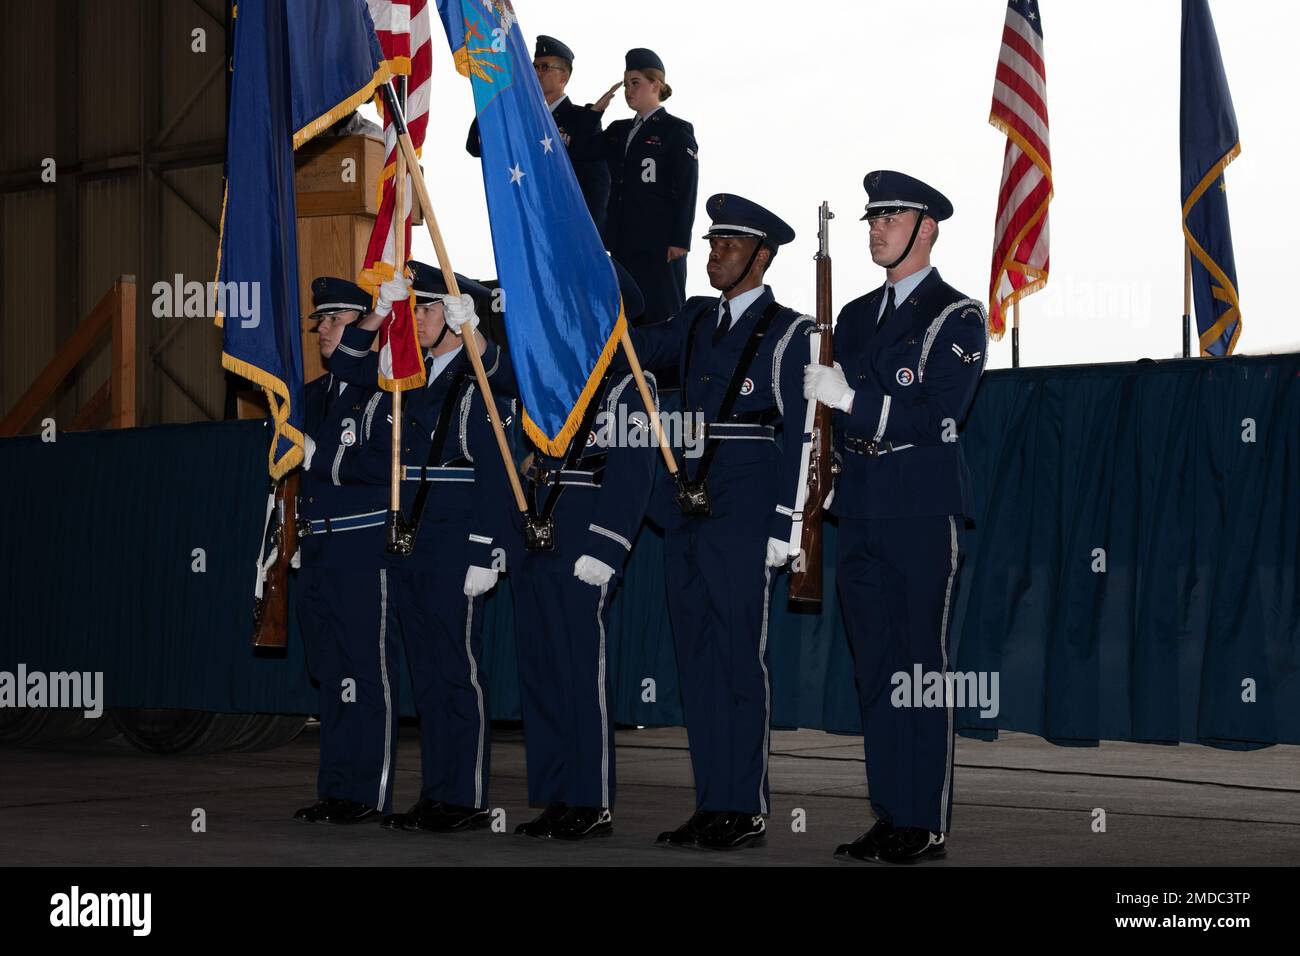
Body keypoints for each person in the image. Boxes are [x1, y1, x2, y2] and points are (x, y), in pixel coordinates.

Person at [802, 170, 987, 864]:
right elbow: (827, 427)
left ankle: (925, 818)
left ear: (926, 227)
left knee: (919, 666)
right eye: (873, 217)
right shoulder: (851, 316)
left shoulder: (956, 315)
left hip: (919, 503)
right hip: (863, 506)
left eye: (893, 216)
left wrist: (852, 401)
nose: (878, 228)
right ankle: (891, 809)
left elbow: (941, 416)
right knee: (874, 668)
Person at [449, 261, 659, 842]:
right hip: (534, 530)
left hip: (584, 535)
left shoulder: (628, 383)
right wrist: (478, 338)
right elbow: (505, 378)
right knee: (540, 669)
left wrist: (608, 547)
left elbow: (633, 474)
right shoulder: (552, 376)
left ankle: (590, 801)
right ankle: (555, 794)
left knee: (578, 670)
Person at [629, 194, 813, 850]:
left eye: (728, 246)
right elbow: (640, 347)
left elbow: (802, 435)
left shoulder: (792, 332)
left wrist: (786, 525)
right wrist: (593, 302)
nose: (713, 255)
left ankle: (745, 806)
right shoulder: (698, 319)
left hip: (745, 512)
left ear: (761, 256)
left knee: (738, 659)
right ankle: (712, 802)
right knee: (697, 663)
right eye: (710, 244)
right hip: (689, 513)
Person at [320, 262, 514, 833]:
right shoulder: (411, 373)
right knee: (427, 669)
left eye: (429, 308)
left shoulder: (480, 376)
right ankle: (438, 792)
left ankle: (464, 797)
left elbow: (494, 469)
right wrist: (378, 313)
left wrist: (484, 548)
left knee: (457, 668)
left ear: (459, 317)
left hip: (457, 536)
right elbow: (348, 364)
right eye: (418, 308)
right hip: (411, 537)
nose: (420, 318)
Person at [292, 276, 392, 825]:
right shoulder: (309, 395)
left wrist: (320, 457)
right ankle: (335, 785)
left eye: (333, 320)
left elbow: (385, 467)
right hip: (318, 547)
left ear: (362, 326)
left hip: (361, 546)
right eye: (321, 322)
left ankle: (366, 791)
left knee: (364, 668)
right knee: (331, 671)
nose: (323, 331)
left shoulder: (382, 387)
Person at [594, 48, 698, 329]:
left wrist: (680, 239)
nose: (629, 90)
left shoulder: (676, 130)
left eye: (636, 82)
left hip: (660, 242)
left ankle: (664, 374)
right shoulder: (618, 129)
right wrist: (596, 112)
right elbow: (584, 148)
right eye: (626, 83)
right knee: (627, 316)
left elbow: (686, 187)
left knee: (662, 313)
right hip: (622, 238)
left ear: (657, 85)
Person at [466, 35, 610, 234]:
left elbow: (597, 183)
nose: (536, 73)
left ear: (563, 77)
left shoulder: (581, 119)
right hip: (524, 222)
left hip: (565, 225)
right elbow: (475, 146)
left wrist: (591, 234)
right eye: (534, 67)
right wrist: (494, 96)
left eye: (544, 67)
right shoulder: (518, 117)